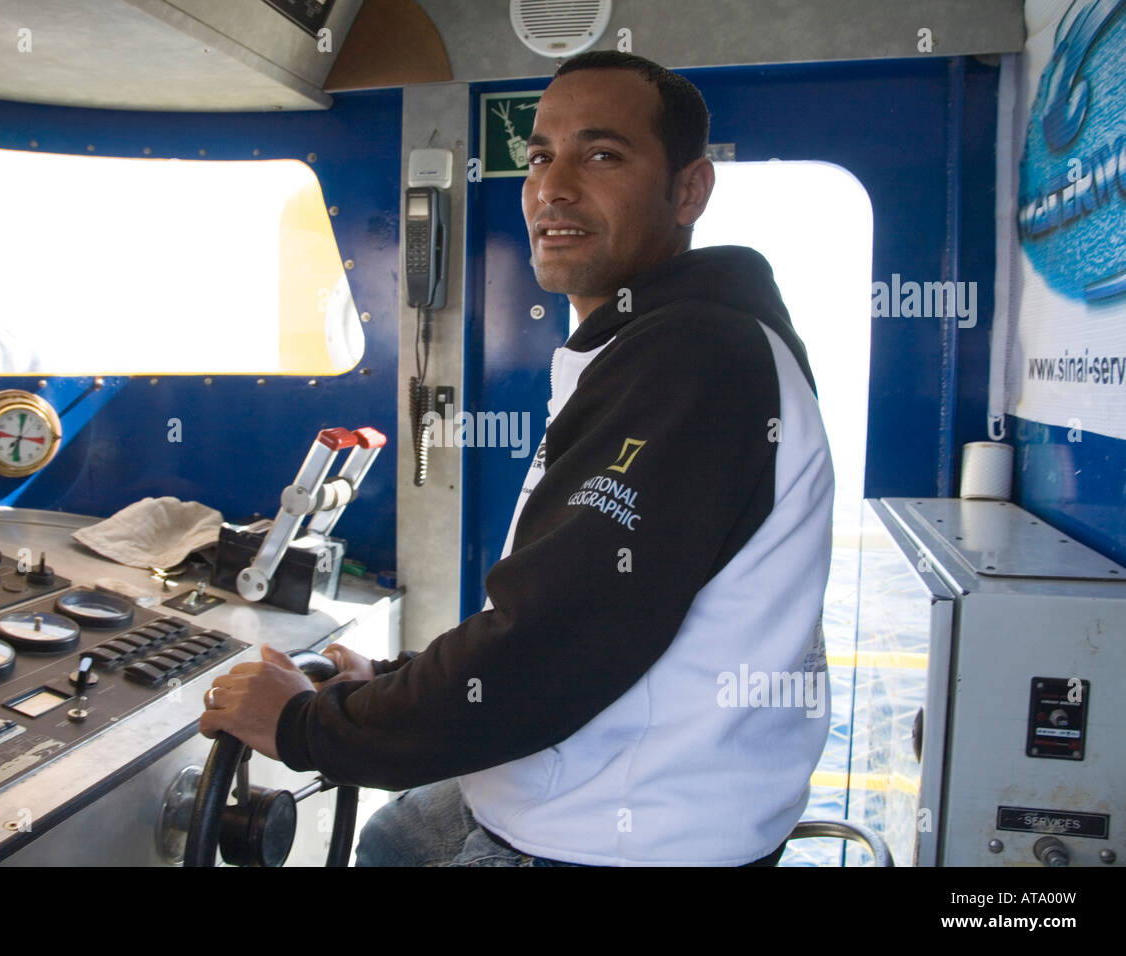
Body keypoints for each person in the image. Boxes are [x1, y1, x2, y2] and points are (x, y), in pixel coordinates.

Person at [200, 51, 835, 866]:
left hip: (620, 839)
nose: (553, 187)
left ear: (689, 191)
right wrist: (390, 679)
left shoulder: (696, 358)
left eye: (602, 155)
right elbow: (574, 608)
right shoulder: (645, 343)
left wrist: (303, 725)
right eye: (540, 157)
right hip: (559, 788)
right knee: (394, 840)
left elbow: (555, 640)